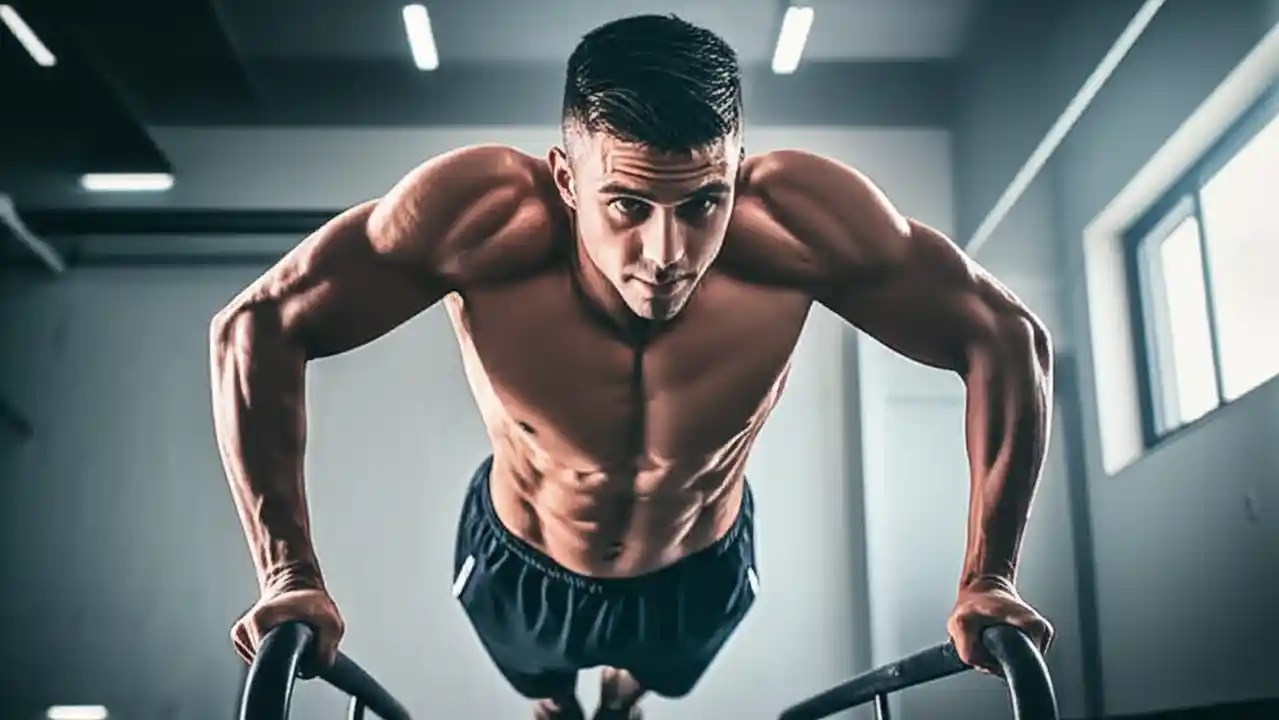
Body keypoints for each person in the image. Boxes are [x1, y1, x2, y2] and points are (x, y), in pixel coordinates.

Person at [210, 13, 1055, 720]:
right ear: (565, 177)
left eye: (703, 203)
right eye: (628, 204)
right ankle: (563, 704)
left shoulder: (802, 225)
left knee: (639, 690)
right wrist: (289, 573)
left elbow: (1006, 336)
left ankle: (621, 700)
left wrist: (989, 577)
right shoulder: (482, 219)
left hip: (701, 561)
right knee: (546, 694)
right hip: (522, 557)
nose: (668, 252)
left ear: (737, 171)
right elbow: (258, 326)